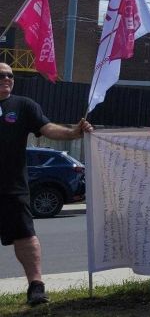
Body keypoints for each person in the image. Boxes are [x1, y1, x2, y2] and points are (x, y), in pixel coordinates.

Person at [0, 62, 93, 306]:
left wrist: (74, 132)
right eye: (2, 75)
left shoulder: (23, 106)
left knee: (25, 236)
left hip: (12, 187)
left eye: (10, 75)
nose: (7, 78)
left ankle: (36, 287)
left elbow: (48, 128)